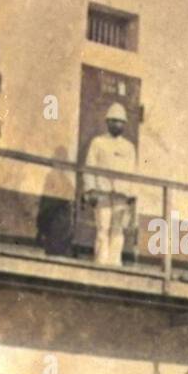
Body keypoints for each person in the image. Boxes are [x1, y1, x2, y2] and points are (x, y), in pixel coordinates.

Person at [81, 102, 138, 266]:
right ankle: (100, 262)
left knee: (118, 230)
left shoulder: (129, 147)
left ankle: (114, 263)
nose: (116, 124)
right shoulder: (98, 143)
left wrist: (132, 194)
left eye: (120, 121)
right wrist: (90, 189)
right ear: (107, 122)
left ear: (124, 124)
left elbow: (133, 172)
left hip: (122, 194)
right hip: (102, 192)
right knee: (102, 228)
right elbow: (90, 167)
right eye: (113, 120)